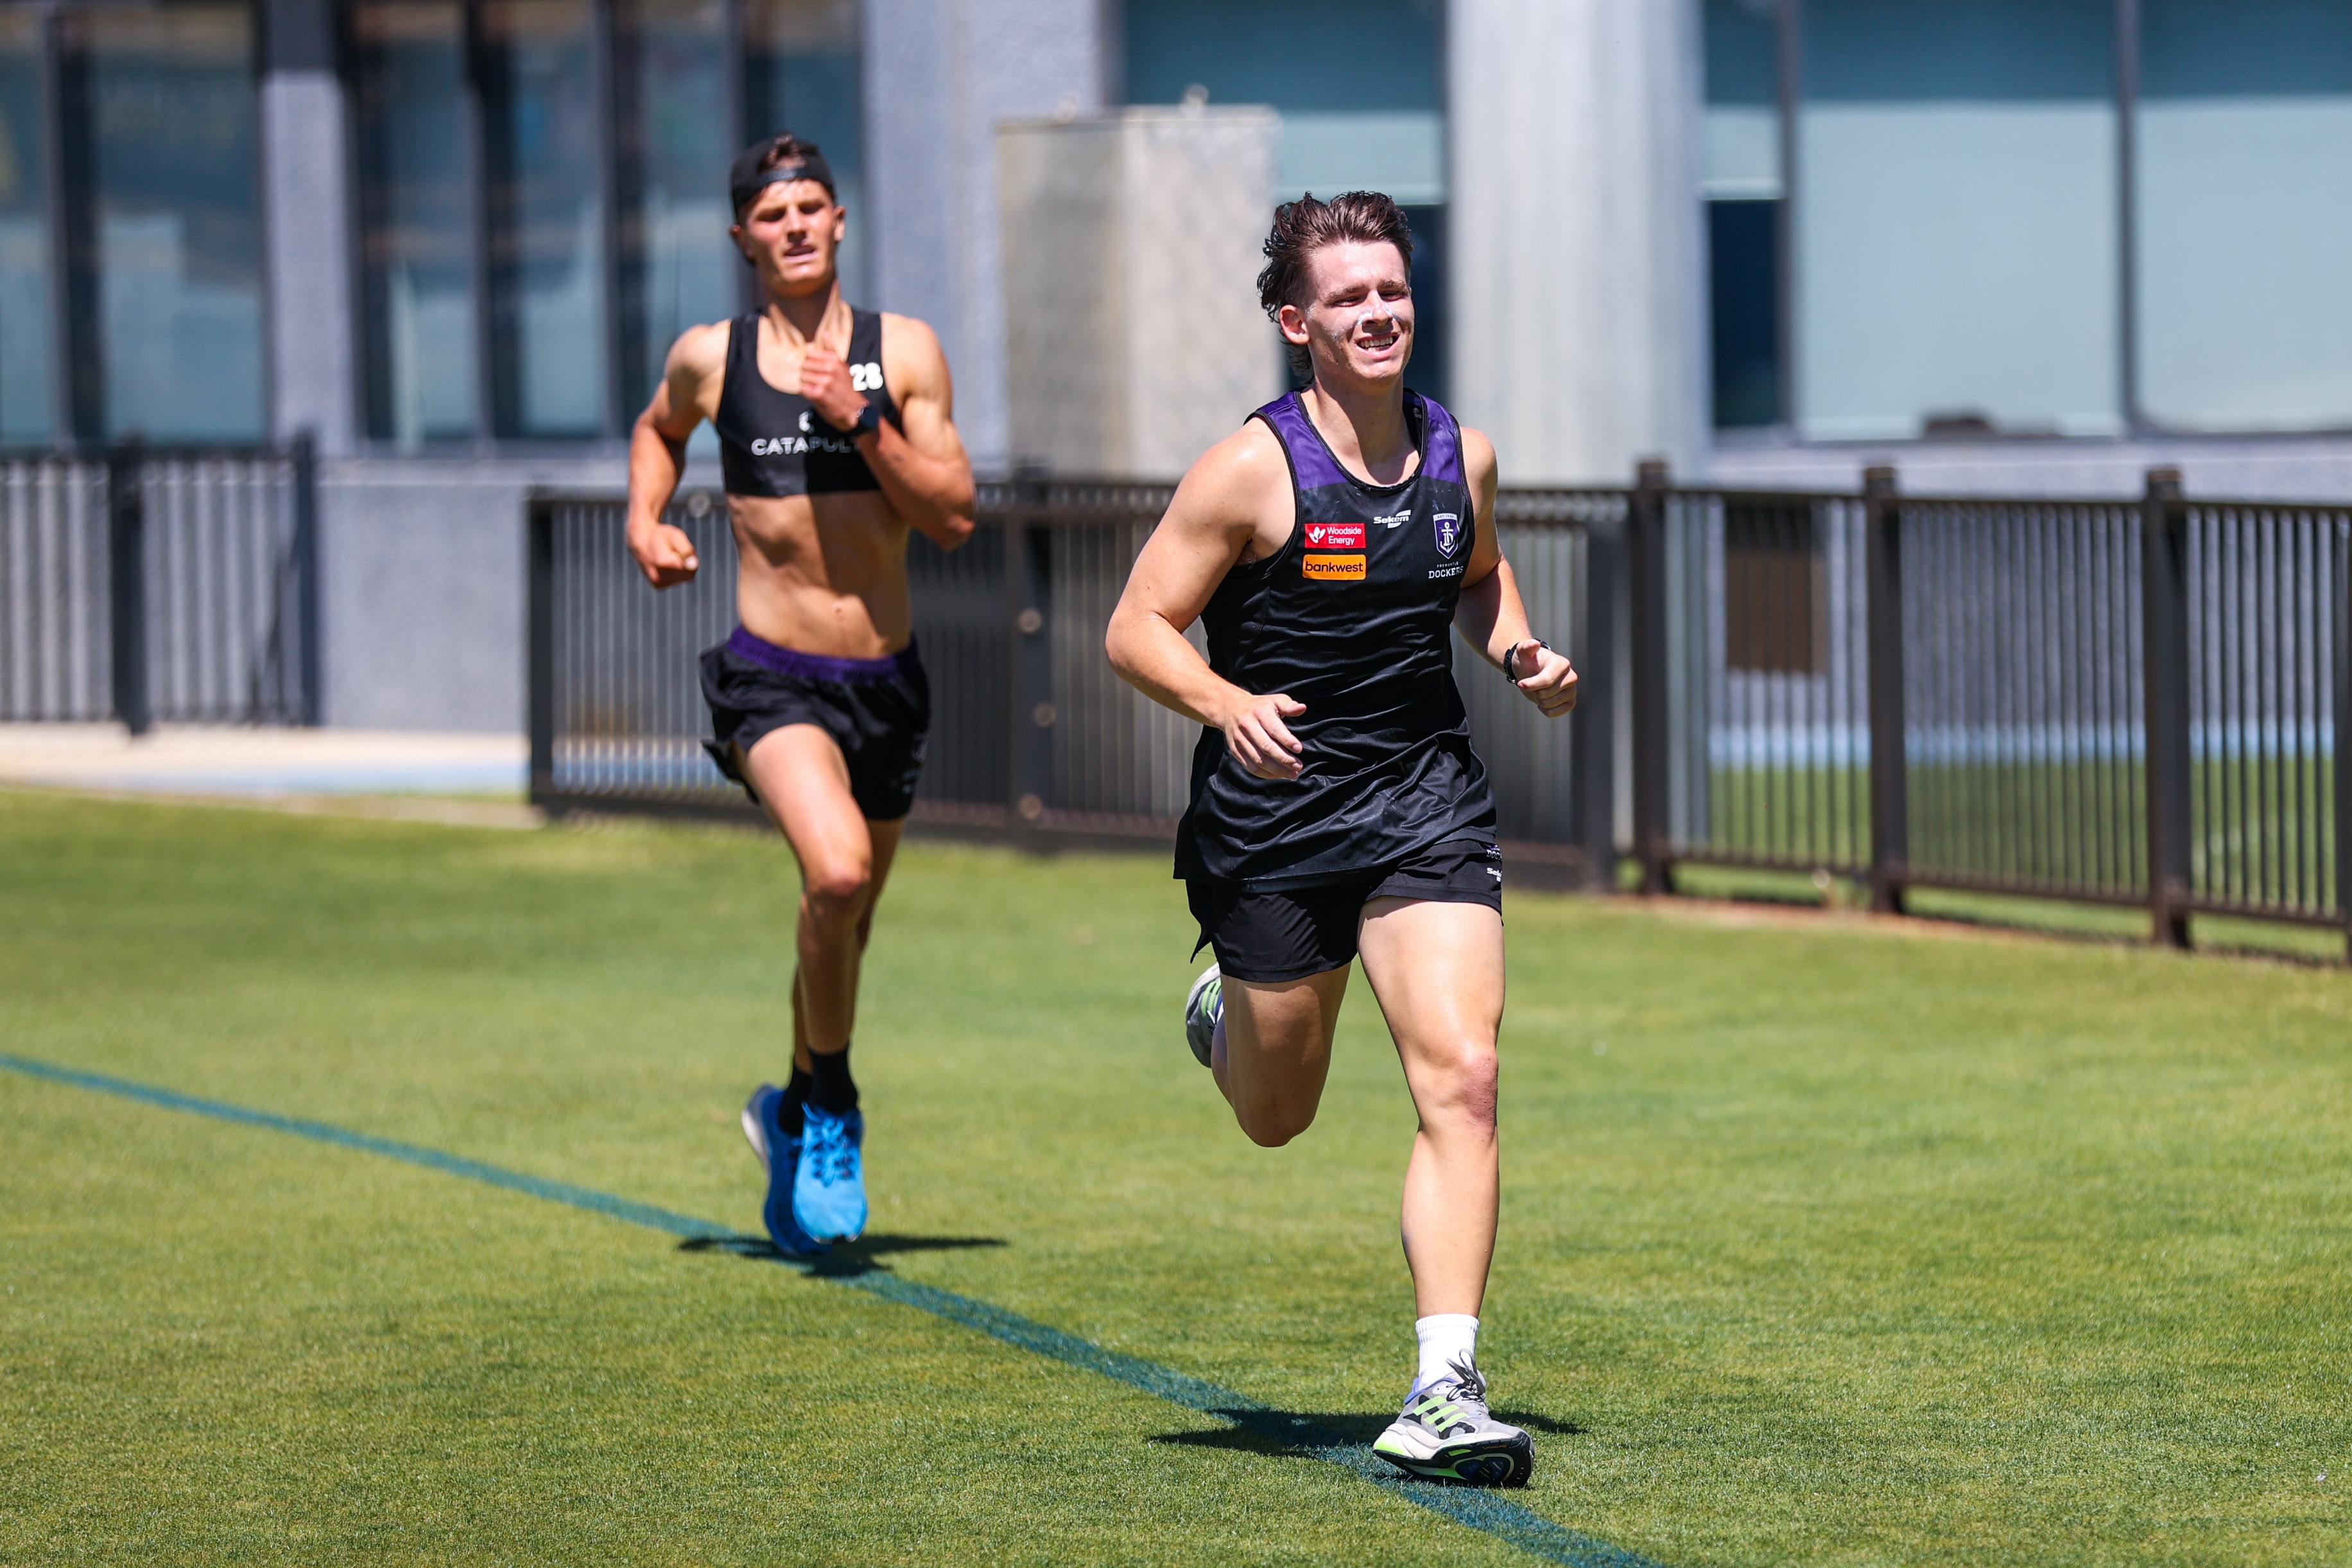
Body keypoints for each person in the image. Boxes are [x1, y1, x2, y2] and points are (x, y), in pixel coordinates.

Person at [1105, 191, 1578, 1486]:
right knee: (1276, 1113)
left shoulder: (1457, 453)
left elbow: (1474, 569)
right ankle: (1226, 1008)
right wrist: (1223, 701)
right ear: (1294, 321)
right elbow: (1134, 626)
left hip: (1424, 795)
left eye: (1393, 290)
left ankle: (1442, 1385)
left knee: (1462, 1073)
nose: (1379, 312)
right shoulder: (1249, 469)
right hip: (1275, 815)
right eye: (1349, 297)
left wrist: (1518, 649)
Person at [625, 134, 975, 1255]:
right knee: (835, 873)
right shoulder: (710, 358)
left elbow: (954, 514)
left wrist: (858, 418)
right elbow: (657, 431)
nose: (795, 229)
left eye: (813, 209)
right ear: (744, 237)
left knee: (847, 924)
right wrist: (646, 519)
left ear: (838, 222)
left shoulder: (901, 353)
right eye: (773, 216)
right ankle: (831, 1109)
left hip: (887, 679)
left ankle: (785, 1107)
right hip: (771, 677)